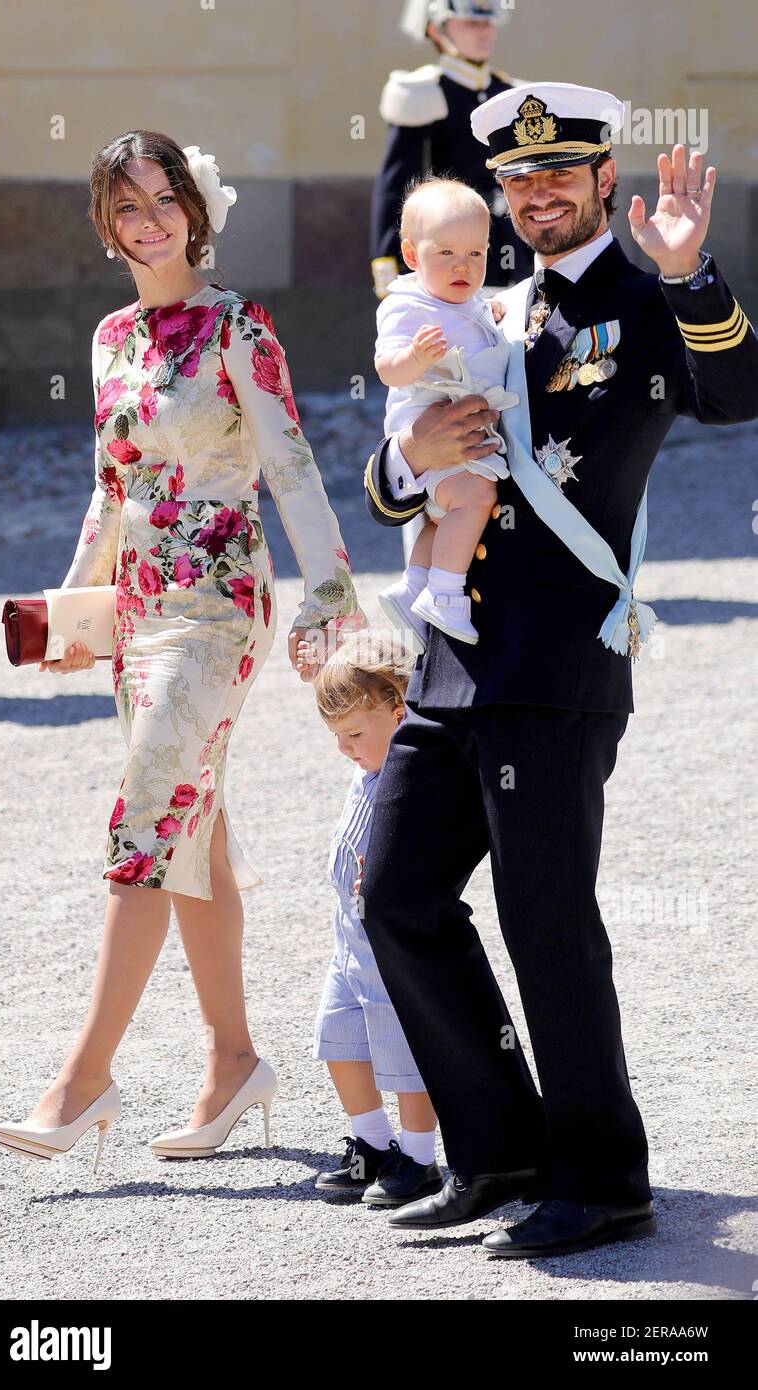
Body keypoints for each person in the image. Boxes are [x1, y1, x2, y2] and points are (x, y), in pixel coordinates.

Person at [362, 82, 758, 1257]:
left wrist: (690, 272)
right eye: (519, 183)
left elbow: (736, 394)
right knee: (397, 894)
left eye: (560, 177)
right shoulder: (482, 307)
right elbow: (409, 474)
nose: (538, 196)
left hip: (556, 662)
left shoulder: (644, 301)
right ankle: (499, 1149)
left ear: (599, 181)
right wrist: (404, 457)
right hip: (454, 660)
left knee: (546, 918)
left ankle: (601, 1174)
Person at [0, 131, 364, 1173]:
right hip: (140, 614)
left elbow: (290, 467)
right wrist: (70, 616)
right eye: (127, 207)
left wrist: (331, 595)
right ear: (106, 226)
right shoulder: (111, 336)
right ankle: (236, 1061)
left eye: (163, 200)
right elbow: (111, 489)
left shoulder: (242, 326)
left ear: (193, 208)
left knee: (145, 820)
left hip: (218, 609)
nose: (148, 221)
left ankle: (84, 1078)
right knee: (194, 836)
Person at [299, 629, 441, 1207]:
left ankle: (420, 1156)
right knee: (339, 1041)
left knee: (402, 1049)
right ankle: (372, 1142)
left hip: (389, 946)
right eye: (337, 737)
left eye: (355, 733)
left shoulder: (413, 773)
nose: (346, 748)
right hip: (348, 939)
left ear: (399, 710)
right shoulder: (368, 761)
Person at [374, 176, 517, 648]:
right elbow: (387, 368)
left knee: (442, 517)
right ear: (413, 256)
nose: (464, 265)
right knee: (475, 498)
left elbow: (478, 329)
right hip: (431, 437)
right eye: (447, 253)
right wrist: (414, 357)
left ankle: (414, 583)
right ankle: (445, 592)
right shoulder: (407, 305)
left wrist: (489, 316)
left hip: (464, 436)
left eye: (476, 254)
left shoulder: (471, 302)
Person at [370, 0, 532, 302]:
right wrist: (390, 260)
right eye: (471, 24)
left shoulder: (510, 92)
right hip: (449, 253)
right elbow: (397, 187)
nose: (484, 32)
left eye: (487, 23)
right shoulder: (423, 92)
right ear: (436, 30)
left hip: (515, 249)